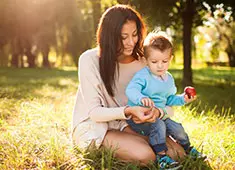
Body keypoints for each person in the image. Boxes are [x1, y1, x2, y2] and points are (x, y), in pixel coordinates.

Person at [72, 4, 185, 166]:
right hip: (96, 126)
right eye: (123, 37)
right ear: (109, 36)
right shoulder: (89, 60)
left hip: (128, 124)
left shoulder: (144, 63)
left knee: (178, 153)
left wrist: (157, 112)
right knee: (145, 155)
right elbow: (95, 113)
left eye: (134, 35)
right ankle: (112, 148)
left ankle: (132, 144)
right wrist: (128, 111)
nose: (130, 42)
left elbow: (168, 105)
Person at [125, 31, 204, 169]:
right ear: (146, 60)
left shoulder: (168, 79)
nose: (160, 66)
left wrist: (183, 99)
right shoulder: (143, 75)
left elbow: (170, 99)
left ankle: (188, 148)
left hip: (159, 116)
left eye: (164, 61)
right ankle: (162, 157)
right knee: (159, 126)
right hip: (140, 117)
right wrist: (141, 98)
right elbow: (130, 90)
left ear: (170, 59)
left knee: (177, 128)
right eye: (154, 62)